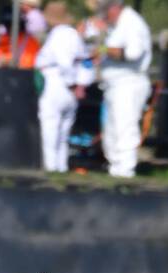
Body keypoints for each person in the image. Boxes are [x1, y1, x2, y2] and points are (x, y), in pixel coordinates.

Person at [96, 0, 152, 177]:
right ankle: (116, 170)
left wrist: (103, 48)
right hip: (114, 85)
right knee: (112, 132)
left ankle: (126, 171)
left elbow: (132, 53)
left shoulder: (132, 23)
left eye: (105, 10)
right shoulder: (118, 24)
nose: (104, 15)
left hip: (129, 84)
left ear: (115, 7)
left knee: (124, 128)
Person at [35, 2, 89, 172]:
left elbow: (64, 62)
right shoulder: (75, 36)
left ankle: (51, 167)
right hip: (71, 88)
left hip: (56, 83)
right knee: (64, 132)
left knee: (50, 127)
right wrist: (81, 85)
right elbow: (85, 64)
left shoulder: (59, 35)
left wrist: (72, 83)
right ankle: (61, 166)